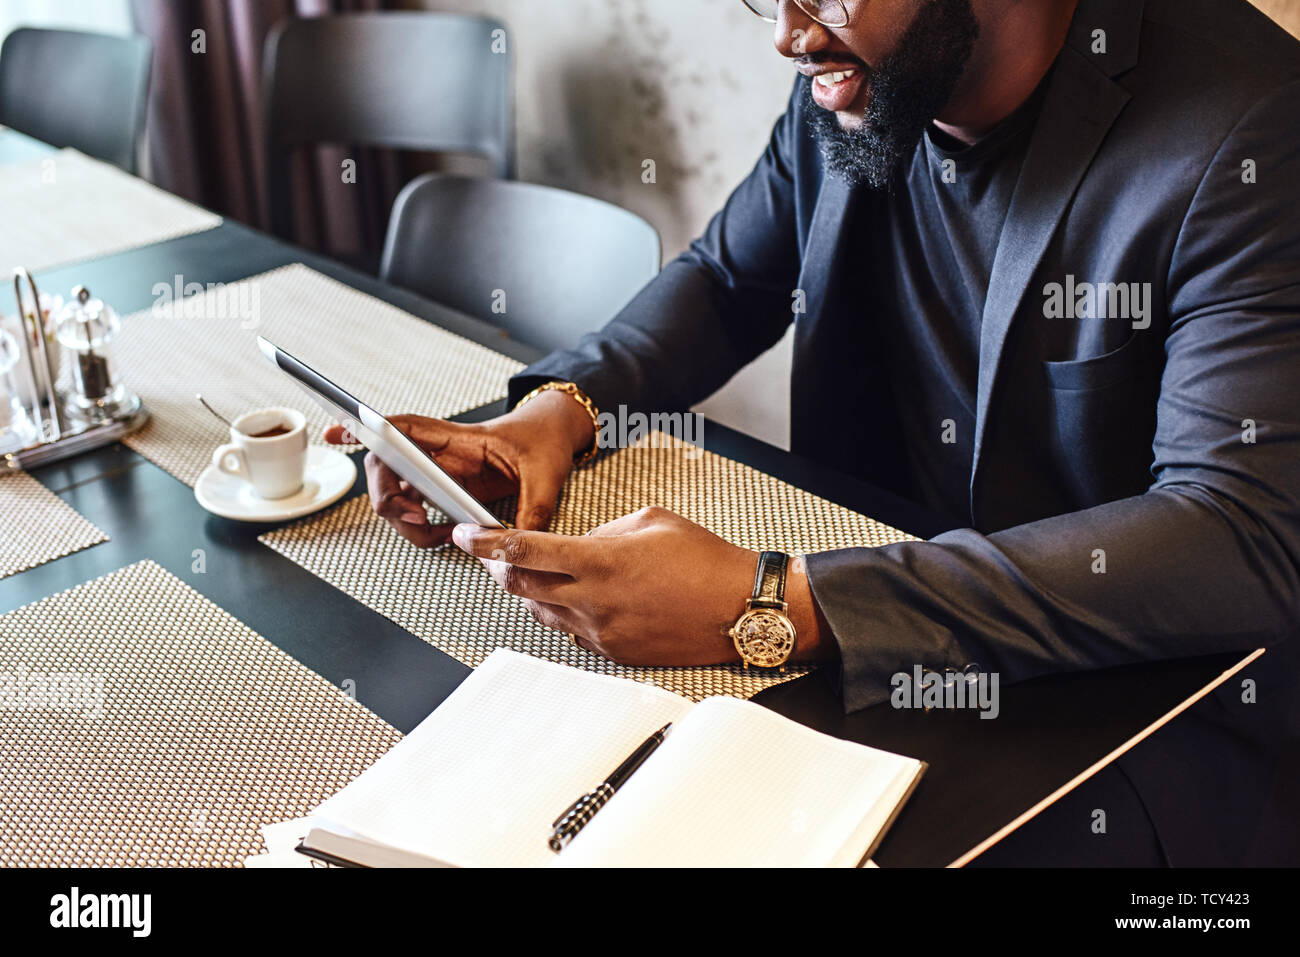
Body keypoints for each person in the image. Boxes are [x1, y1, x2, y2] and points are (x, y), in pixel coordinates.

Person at [327, 0, 1300, 865]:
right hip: (860, 655)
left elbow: (1236, 536)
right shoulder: (860, 80)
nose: (791, 34)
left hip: (1122, 716)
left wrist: (775, 602)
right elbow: (726, 279)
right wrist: (560, 412)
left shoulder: (1249, 126)